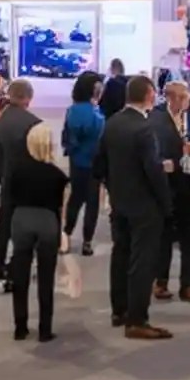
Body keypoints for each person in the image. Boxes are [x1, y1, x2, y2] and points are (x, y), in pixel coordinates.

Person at [101, 75, 172, 339]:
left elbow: (101, 164)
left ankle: (118, 310)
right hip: (144, 206)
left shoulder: (111, 123)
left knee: (120, 256)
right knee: (142, 262)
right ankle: (137, 319)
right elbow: (153, 171)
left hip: (119, 202)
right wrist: (166, 204)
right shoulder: (144, 128)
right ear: (149, 95)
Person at [7, 123, 69, 342]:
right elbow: (61, 208)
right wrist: (62, 233)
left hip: (21, 219)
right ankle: (45, 328)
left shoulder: (16, 170)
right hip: (47, 221)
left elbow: (8, 201)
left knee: (20, 274)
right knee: (46, 277)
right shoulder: (58, 175)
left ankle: (20, 326)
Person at [150, 80, 190, 305]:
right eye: (184, 97)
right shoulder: (155, 120)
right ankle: (161, 281)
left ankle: (189, 284)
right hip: (166, 182)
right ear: (172, 97)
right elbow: (151, 152)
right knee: (164, 233)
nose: (188, 101)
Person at [0, 78, 41, 285]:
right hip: (31, 185)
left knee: (4, 225)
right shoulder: (35, 124)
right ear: (28, 99)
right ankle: (19, 266)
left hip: (8, 182)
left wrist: (3, 174)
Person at [62, 72, 105, 256]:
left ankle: (66, 234)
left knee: (75, 199)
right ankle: (87, 241)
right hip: (93, 162)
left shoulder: (73, 110)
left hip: (76, 161)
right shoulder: (94, 113)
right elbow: (99, 134)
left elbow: (68, 137)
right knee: (92, 203)